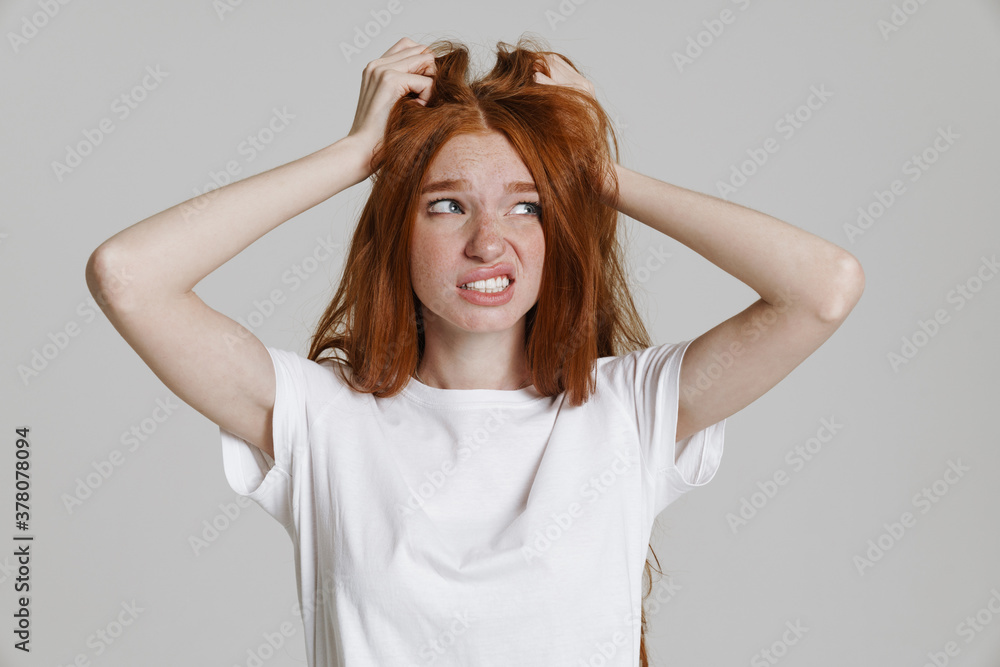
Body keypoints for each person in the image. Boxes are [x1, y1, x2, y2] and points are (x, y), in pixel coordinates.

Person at [85, 35, 864, 667]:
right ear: (398, 230)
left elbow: (825, 287)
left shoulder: (629, 408)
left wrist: (596, 171)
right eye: (447, 204)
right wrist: (358, 156)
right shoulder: (321, 421)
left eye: (526, 206)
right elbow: (128, 277)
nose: (490, 241)